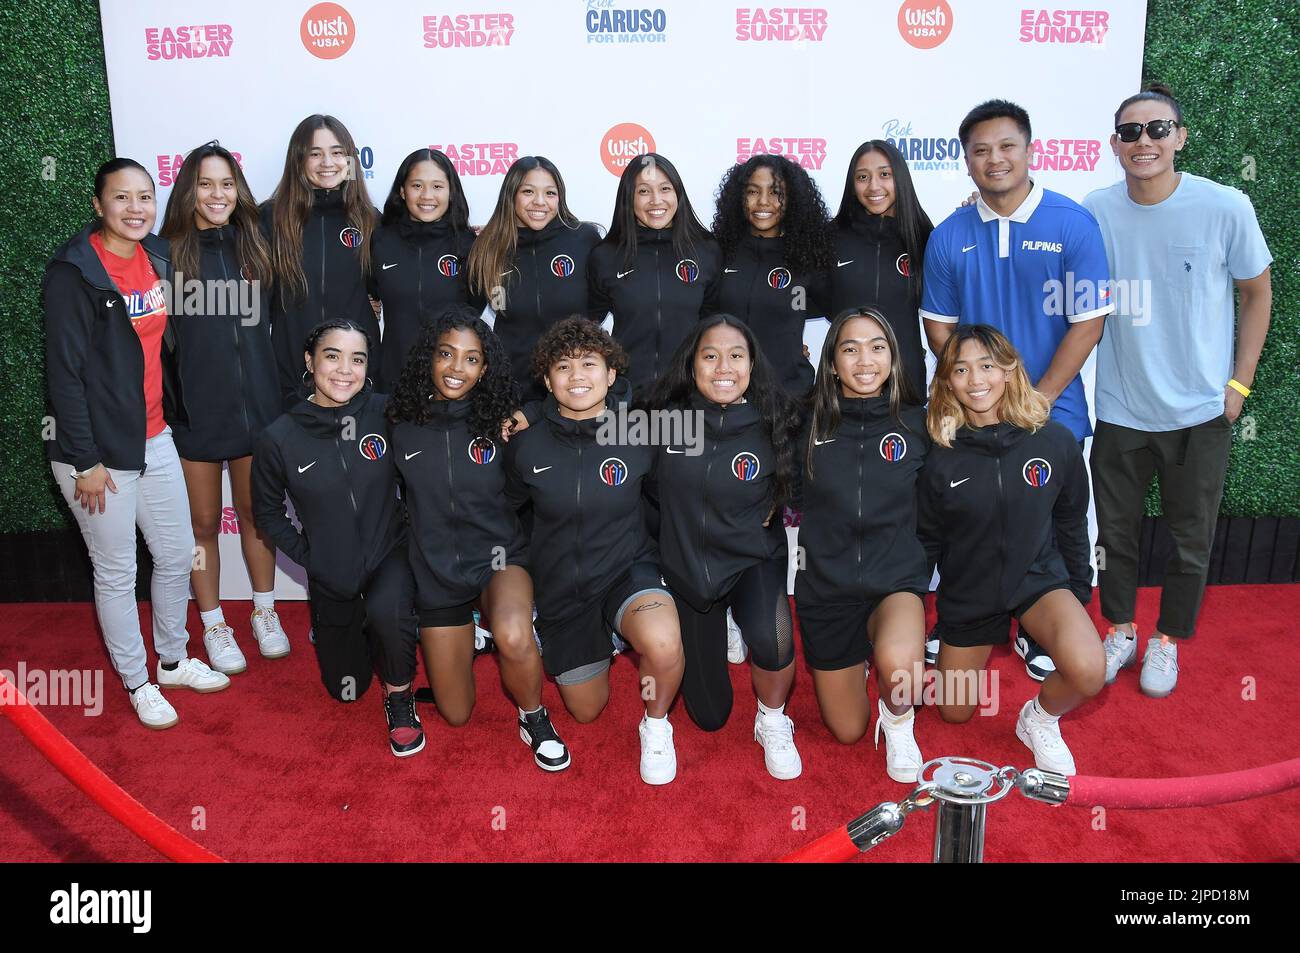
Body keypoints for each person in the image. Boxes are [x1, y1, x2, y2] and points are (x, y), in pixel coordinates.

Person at [1084, 85, 1273, 697]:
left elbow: (1258, 293)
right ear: (1115, 145)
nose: (1146, 142)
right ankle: (1121, 629)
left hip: (1200, 411)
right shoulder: (1096, 209)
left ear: (1180, 137)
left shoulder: (1225, 206)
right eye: (1132, 132)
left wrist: (1238, 383)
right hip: (1119, 408)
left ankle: (1166, 641)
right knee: (1115, 534)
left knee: (1191, 538)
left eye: (1158, 129)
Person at [919, 99, 1114, 682]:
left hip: (1056, 405)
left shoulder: (1071, 223)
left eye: (1007, 147)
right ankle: (961, 616)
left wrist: (1042, 396)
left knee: (1048, 515)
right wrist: (970, 385)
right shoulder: (950, 234)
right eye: (980, 150)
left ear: (1029, 151)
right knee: (967, 511)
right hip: (973, 414)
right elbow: (939, 326)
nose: (995, 159)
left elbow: (1089, 321)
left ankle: (1040, 625)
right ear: (966, 161)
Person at [44, 157, 229, 729]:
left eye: (144, 197)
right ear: (98, 206)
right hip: (96, 453)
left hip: (154, 435)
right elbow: (64, 376)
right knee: (117, 569)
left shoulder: (159, 258)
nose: (135, 208)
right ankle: (138, 680)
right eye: (121, 198)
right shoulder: (74, 273)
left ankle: (172, 659)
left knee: (175, 555)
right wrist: (85, 461)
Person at [504, 318, 685, 784]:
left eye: (589, 364)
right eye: (563, 367)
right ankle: (596, 639)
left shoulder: (643, 431)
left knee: (663, 643)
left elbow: (680, 495)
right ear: (546, 380)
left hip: (628, 571)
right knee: (587, 711)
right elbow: (503, 515)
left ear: (611, 375)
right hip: (564, 588)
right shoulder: (525, 444)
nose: (577, 375)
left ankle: (657, 725)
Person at [387, 307, 569, 770]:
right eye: (447, 354)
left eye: (471, 359)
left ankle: (534, 716)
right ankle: (469, 637)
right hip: (436, 569)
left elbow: (569, 408)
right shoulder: (398, 420)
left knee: (513, 631)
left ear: (485, 368)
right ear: (430, 357)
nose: (456, 368)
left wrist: (528, 410)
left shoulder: (502, 422)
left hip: (498, 557)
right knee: (455, 713)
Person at [918, 325, 1103, 775]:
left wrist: (1077, 593)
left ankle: (1037, 720)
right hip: (969, 592)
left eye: (987, 365)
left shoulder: (1054, 441)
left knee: (1087, 669)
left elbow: (1072, 522)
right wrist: (905, 612)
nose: (976, 379)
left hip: (1036, 580)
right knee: (955, 712)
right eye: (961, 369)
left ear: (1009, 369)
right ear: (946, 382)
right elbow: (924, 539)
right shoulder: (937, 454)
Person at [250, 320, 422, 757]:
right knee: (346, 690)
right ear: (310, 362)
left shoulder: (387, 411)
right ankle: (364, 630)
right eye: (332, 356)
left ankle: (399, 696)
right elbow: (267, 513)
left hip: (389, 552)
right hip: (333, 572)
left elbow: (445, 428)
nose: (345, 370)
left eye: (357, 359)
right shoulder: (279, 438)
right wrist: (312, 557)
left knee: (390, 610)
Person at [647, 314, 804, 779]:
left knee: (774, 639)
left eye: (736, 356)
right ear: (691, 364)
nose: (723, 367)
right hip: (688, 571)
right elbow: (591, 422)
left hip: (751, 560)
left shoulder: (780, 422)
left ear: (752, 364)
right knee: (710, 716)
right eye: (709, 356)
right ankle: (722, 628)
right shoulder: (663, 422)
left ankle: (772, 718)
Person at [158, 141, 289, 674]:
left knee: (258, 517)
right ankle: (212, 621)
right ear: (188, 189)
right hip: (195, 418)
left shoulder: (256, 245)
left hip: (258, 413)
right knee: (203, 524)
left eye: (227, 184)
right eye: (206, 184)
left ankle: (265, 611)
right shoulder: (162, 254)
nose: (217, 194)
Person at [794, 307, 927, 781]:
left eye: (877, 347)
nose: (864, 359)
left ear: (893, 356)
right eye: (850, 348)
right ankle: (868, 666)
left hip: (894, 585)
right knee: (847, 729)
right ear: (831, 363)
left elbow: (937, 513)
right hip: (827, 592)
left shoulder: (920, 425)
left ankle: (899, 720)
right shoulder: (805, 426)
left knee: (899, 667)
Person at [262, 114, 381, 407]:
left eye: (337, 153)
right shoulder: (269, 219)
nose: (327, 162)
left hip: (354, 377)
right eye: (315, 153)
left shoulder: (371, 220)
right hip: (290, 376)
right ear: (298, 161)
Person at [466, 156, 603, 400]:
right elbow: (468, 313)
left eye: (550, 193)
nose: (540, 202)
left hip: (575, 389)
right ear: (511, 195)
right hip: (512, 390)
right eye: (528, 191)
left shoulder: (584, 239)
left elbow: (600, 307)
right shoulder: (488, 247)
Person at [588, 152, 721, 394]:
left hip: (691, 395)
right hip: (625, 397)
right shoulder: (606, 255)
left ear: (678, 194)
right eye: (644, 191)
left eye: (665, 189)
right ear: (629, 198)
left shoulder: (706, 251)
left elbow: (719, 324)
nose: (656, 200)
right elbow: (585, 324)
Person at [712, 154, 833, 399]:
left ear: (792, 200)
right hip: (727, 397)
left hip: (791, 397)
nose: (763, 202)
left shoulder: (807, 257)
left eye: (776, 192)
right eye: (753, 192)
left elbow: (837, 311)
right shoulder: (718, 254)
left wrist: (790, 349)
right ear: (739, 198)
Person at [830, 140, 934, 398]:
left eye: (885, 175)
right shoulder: (829, 239)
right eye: (863, 177)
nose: (874, 186)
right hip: (846, 386)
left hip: (907, 383)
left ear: (900, 178)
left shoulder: (925, 237)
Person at [371, 149, 481, 392]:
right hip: (393, 381)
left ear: (451, 192)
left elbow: (477, 305)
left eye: (438, 187)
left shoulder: (470, 246)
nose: (427, 196)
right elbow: (368, 290)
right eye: (417, 185)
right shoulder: (380, 241)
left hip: (453, 385)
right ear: (402, 191)